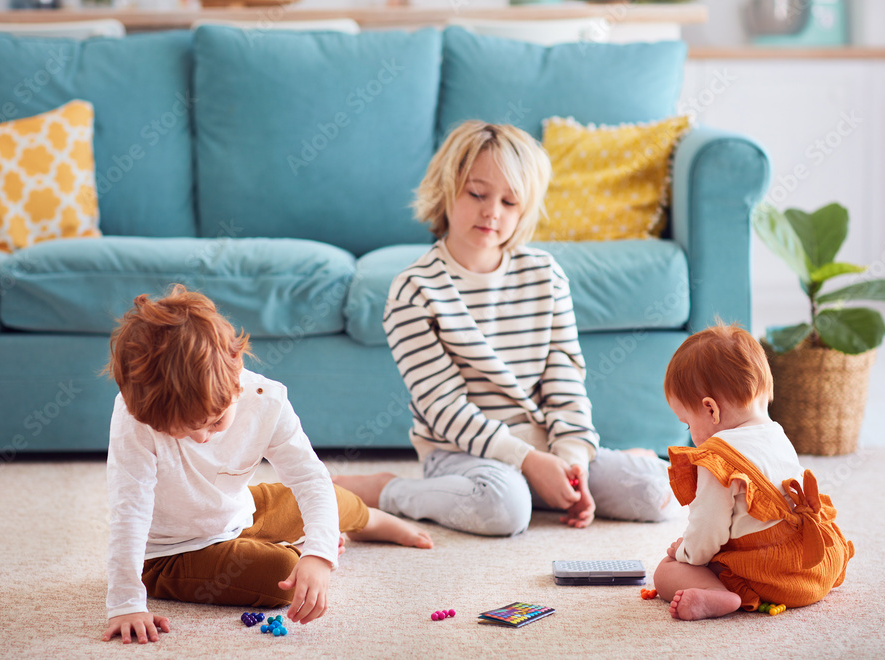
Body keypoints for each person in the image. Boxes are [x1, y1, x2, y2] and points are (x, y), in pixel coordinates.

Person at [334, 120, 677, 537]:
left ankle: (541, 486)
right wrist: (528, 461)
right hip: (462, 451)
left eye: (510, 201)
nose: (492, 211)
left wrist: (573, 461)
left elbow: (565, 378)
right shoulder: (415, 289)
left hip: (546, 445)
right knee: (503, 511)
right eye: (477, 193)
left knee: (657, 491)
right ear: (446, 189)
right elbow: (444, 409)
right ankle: (390, 489)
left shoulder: (546, 275)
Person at [102, 285, 432, 645]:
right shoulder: (136, 418)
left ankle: (372, 521)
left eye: (213, 422)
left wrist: (320, 556)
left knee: (329, 497)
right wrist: (126, 603)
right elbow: (128, 511)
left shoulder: (266, 399)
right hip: (174, 552)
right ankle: (302, 546)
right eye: (179, 432)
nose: (201, 439)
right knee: (285, 575)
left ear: (237, 371)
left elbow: (308, 478)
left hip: (238, 511)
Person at [653, 323, 854, 620]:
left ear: (711, 410)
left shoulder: (718, 455)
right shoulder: (777, 434)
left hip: (770, 574)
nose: (690, 433)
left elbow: (709, 527)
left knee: (665, 573)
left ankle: (720, 596)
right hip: (813, 567)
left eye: (687, 422)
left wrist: (685, 553)